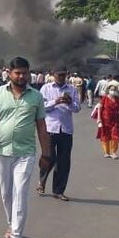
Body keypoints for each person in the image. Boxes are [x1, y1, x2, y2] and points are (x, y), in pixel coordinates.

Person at [0, 56, 51, 238]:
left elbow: (41, 125)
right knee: (6, 193)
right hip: (2, 151)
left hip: (26, 153)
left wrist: (46, 153)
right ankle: (11, 224)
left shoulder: (36, 96)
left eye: (25, 73)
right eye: (17, 73)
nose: (22, 76)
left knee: (20, 193)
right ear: (9, 73)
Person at [37, 68, 81, 200]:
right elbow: (41, 106)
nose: (61, 77)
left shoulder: (72, 89)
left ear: (67, 75)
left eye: (63, 75)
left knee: (63, 162)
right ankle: (42, 181)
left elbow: (77, 108)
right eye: (58, 75)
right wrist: (55, 102)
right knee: (48, 157)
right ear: (53, 75)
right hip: (50, 128)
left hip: (66, 129)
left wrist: (69, 103)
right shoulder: (46, 88)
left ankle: (59, 190)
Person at [98, 84, 119, 158]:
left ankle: (113, 152)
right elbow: (99, 108)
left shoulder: (118, 99)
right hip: (105, 119)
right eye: (111, 89)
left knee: (115, 135)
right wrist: (99, 118)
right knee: (105, 136)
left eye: (114, 90)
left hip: (115, 120)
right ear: (108, 90)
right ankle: (106, 152)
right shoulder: (104, 98)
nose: (113, 91)